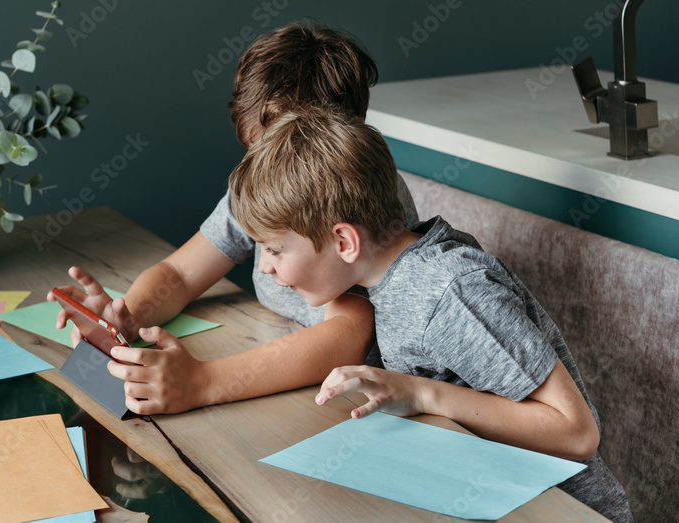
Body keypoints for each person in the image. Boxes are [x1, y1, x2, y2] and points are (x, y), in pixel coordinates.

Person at [226, 106, 632, 522]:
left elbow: (577, 432)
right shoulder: (377, 280)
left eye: (274, 250)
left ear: (344, 242)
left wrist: (422, 394)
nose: (264, 266)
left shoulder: (450, 293)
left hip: (562, 511)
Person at [49, 21, 418, 414]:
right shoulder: (267, 189)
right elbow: (180, 274)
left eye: (274, 157)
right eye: (255, 153)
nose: (260, 173)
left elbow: (344, 339)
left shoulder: (358, 203)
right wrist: (128, 318)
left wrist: (201, 383)